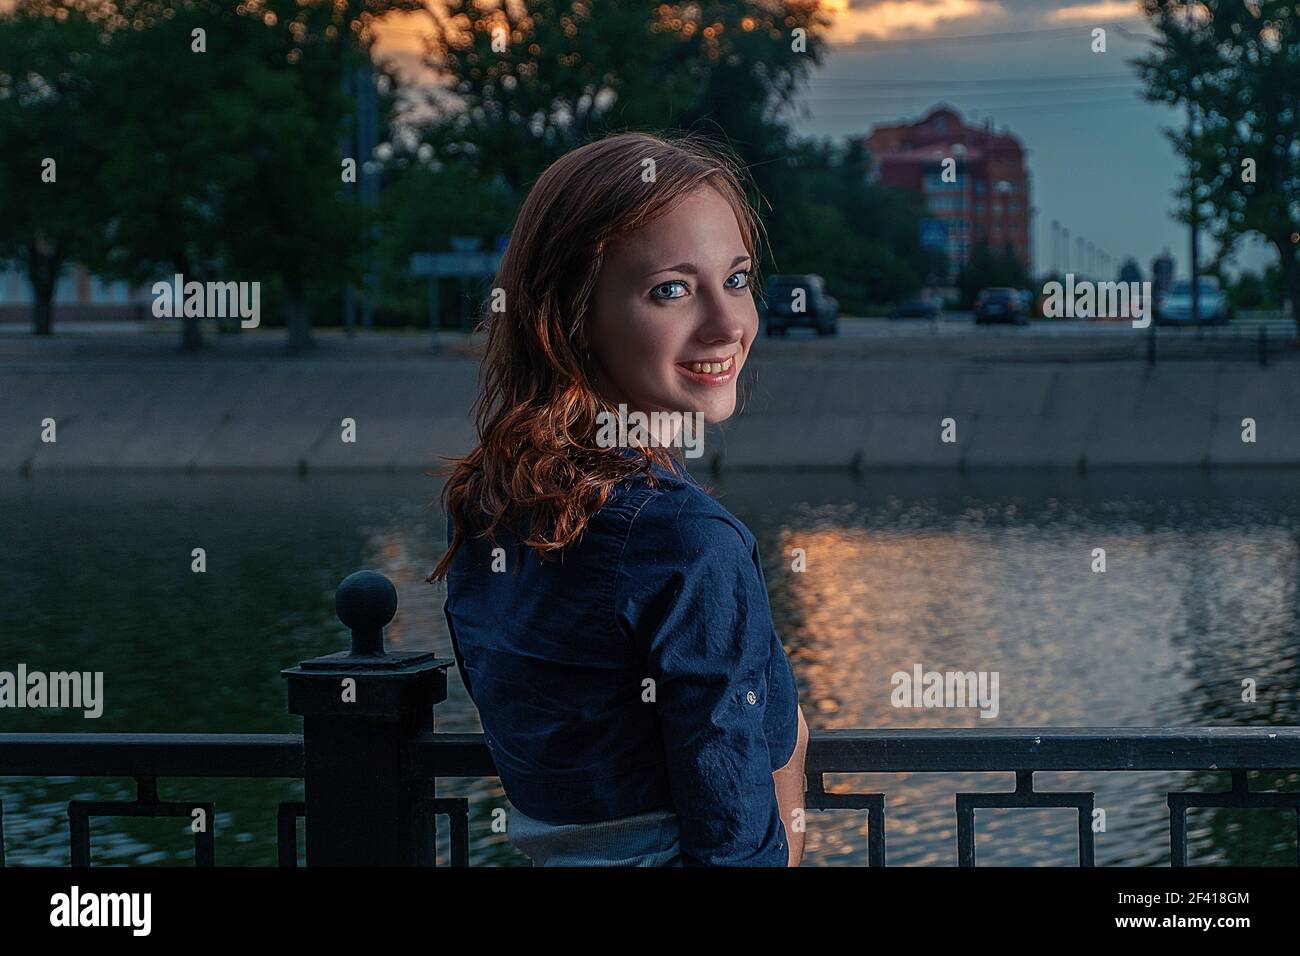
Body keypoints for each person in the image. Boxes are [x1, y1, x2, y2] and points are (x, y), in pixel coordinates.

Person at [427, 131, 809, 867]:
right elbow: (737, 852)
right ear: (571, 318)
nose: (729, 325)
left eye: (736, 279)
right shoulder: (688, 542)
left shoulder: (489, 501)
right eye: (671, 289)